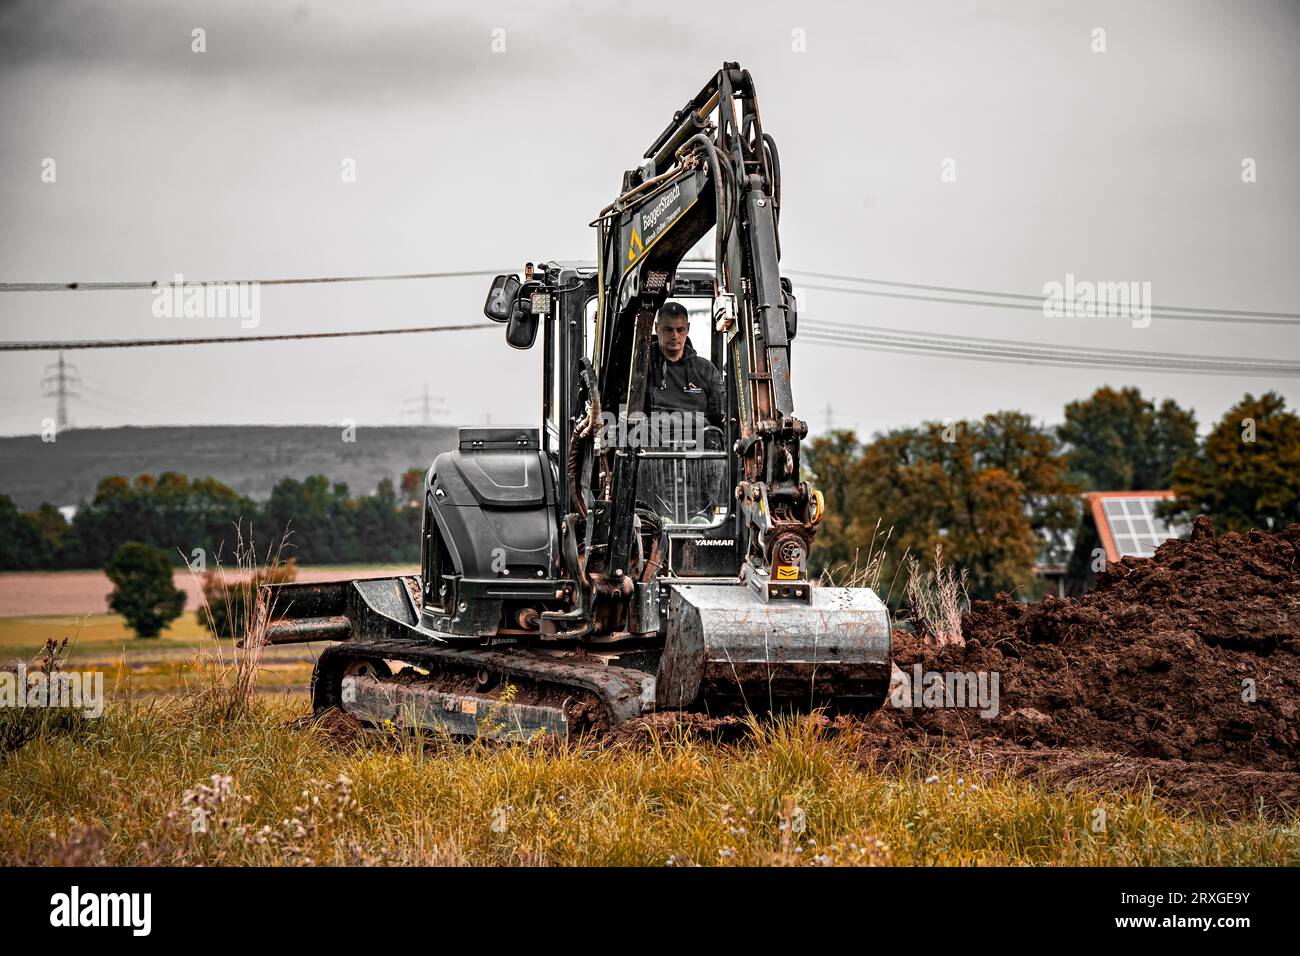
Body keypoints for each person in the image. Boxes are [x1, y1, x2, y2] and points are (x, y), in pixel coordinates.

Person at [647, 302, 724, 439]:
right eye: (668, 329)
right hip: (654, 445)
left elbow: (719, 416)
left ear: (687, 328)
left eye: (680, 330)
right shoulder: (642, 367)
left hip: (701, 447)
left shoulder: (706, 370)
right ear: (656, 327)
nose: (674, 336)